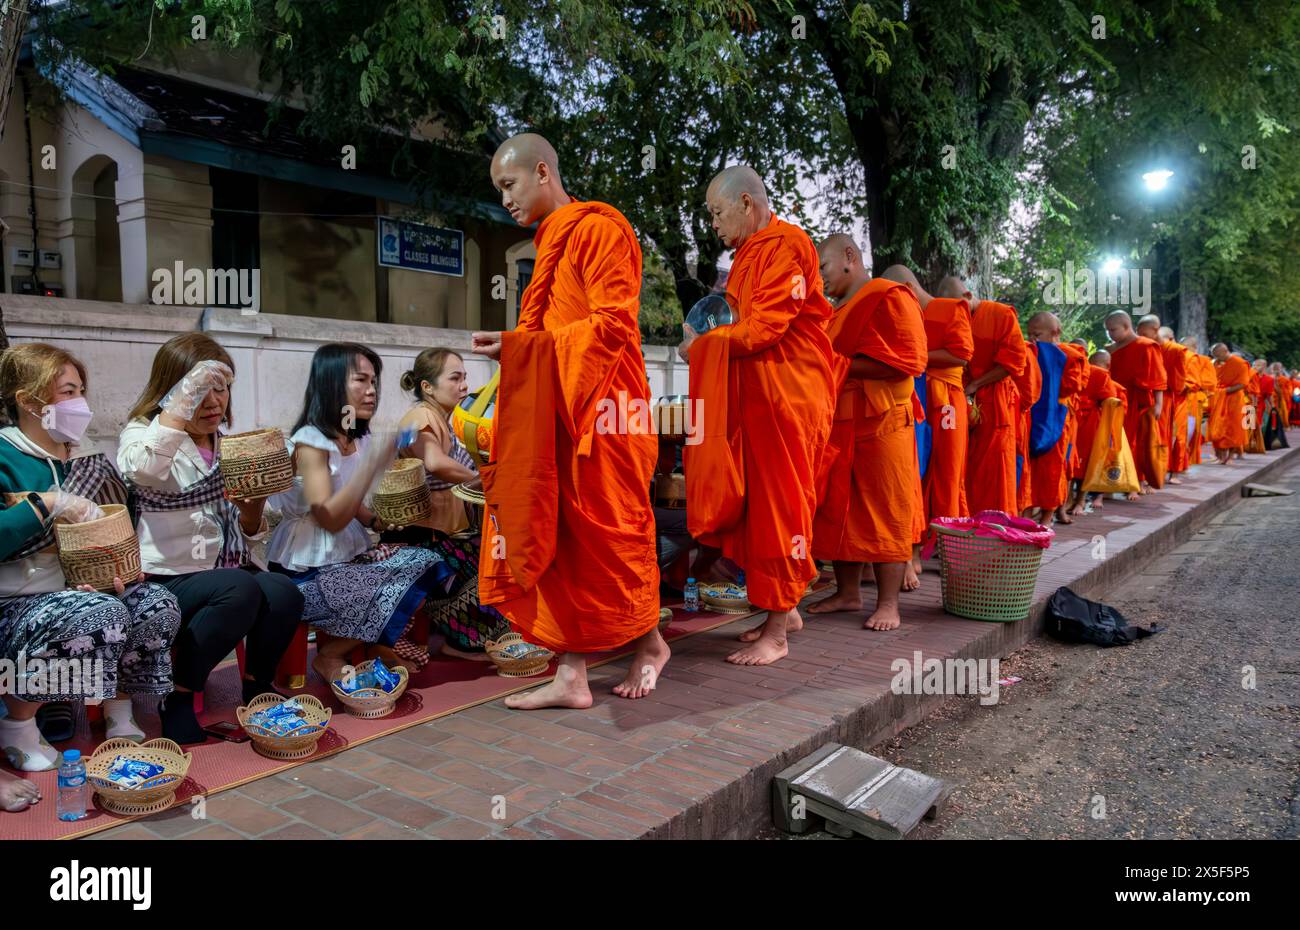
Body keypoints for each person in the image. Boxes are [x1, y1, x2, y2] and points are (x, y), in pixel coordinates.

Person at [472, 133, 666, 704]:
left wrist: (522, 349)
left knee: (612, 536)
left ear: (541, 172)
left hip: (606, 411)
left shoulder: (600, 230)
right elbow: (550, 334)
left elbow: (611, 326)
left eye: (509, 185)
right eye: (498, 190)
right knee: (564, 541)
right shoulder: (550, 241)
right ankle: (573, 675)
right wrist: (519, 350)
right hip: (561, 410)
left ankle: (650, 645)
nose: (504, 199)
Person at [681, 166, 835, 665]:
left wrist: (704, 347)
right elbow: (733, 318)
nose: (714, 224)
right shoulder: (748, 256)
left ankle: (777, 632)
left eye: (717, 212)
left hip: (788, 395)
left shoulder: (787, 246)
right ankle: (782, 608)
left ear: (747, 203)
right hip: (758, 398)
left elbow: (766, 329)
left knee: (780, 508)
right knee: (756, 506)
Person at [0, 343, 181, 768]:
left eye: (81, 390)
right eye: (67, 392)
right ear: (28, 401)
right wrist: (46, 505)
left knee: (156, 603)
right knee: (97, 613)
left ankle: (118, 708)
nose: (79, 403)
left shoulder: (75, 462)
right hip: (11, 605)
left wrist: (108, 576)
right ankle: (18, 722)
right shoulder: (5, 456)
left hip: (65, 598)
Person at [119, 333, 303, 744]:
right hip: (165, 578)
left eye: (221, 389)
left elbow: (252, 537)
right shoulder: (143, 434)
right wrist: (182, 402)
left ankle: (257, 689)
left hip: (224, 573)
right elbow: (145, 471)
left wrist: (252, 509)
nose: (214, 402)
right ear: (175, 391)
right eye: (200, 391)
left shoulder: (230, 445)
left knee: (282, 590)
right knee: (239, 588)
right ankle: (180, 697)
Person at [267, 343, 455, 683]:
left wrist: (375, 520)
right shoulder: (310, 442)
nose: (371, 391)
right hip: (307, 572)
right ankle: (334, 653)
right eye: (361, 381)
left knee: (427, 562)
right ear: (331, 384)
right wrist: (371, 466)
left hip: (347, 558)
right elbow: (329, 515)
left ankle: (371, 642)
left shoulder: (356, 438)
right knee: (392, 582)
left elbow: (350, 505)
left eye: (374, 382)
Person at [805, 245, 927, 632]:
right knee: (842, 510)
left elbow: (908, 361)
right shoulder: (834, 311)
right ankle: (847, 593)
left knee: (885, 510)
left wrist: (833, 364)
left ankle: (888, 603)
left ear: (849, 257)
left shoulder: (887, 295)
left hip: (882, 422)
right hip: (842, 423)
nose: (820, 276)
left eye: (822, 265)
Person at [386, 348, 509, 663]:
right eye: (455, 378)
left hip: (447, 530)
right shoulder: (420, 417)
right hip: (428, 536)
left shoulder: (440, 418)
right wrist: (484, 479)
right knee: (491, 561)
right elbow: (434, 461)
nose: (464, 386)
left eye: (465, 377)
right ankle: (463, 641)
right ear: (427, 387)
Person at [880, 265, 973, 585]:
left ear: (908, 286)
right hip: (915, 396)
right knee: (913, 473)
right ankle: (911, 550)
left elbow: (961, 355)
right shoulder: (903, 313)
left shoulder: (951, 309)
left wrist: (912, 356)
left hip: (946, 401)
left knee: (946, 475)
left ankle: (950, 549)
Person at [935, 277, 1026, 515]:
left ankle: (995, 526)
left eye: (958, 306)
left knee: (994, 467)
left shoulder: (1001, 314)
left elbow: (1015, 362)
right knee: (960, 464)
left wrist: (975, 384)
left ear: (967, 296)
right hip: (959, 398)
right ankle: (964, 522)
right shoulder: (952, 316)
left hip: (995, 400)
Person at [1024, 312, 1087, 524]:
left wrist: (1052, 366)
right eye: (1030, 334)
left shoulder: (1070, 355)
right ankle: (1027, 511)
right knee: (1031, 468)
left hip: (1058, 419)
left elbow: (1072, 386)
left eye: (1038, 334)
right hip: (1035, 415)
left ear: (1055, 332)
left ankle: (1047, 516)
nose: (1033, 339)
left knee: (1053, 468)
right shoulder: (1031, 352)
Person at [1103, 310, 1167, 492]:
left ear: (1126, 326)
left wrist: (1158, 404)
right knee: (1115, 442)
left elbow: (1158, 377)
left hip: (1139, 401)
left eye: (1113, 330)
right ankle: (1115, 481)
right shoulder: (1110, 350)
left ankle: (1138, 481)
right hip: (1116, 401)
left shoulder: (1146, 346)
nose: (1110, 334)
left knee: (1139, 443)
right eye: (1107, 331)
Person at [1066, 349, 1121, 515]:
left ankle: (1080, 500)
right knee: (1072, 462)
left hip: (1090, 423)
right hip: (1074, 419)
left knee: (1087, 462)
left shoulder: (1101, 376)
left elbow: (1110, 402)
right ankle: (1071, 499)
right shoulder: (1075, 371)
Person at [1208, 343, 1251, 464]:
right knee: (1217, 426)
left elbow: (1242, 384)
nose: (1215, 358)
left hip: (1234, 399)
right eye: (1213, 355)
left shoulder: (1239, 363)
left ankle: (1230, 456)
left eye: (1217, 355)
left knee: (1234, 428)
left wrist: (1223, 391)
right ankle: (1220, 456)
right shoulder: (1214, 363)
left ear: (1224, 351)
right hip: (1217, 399)